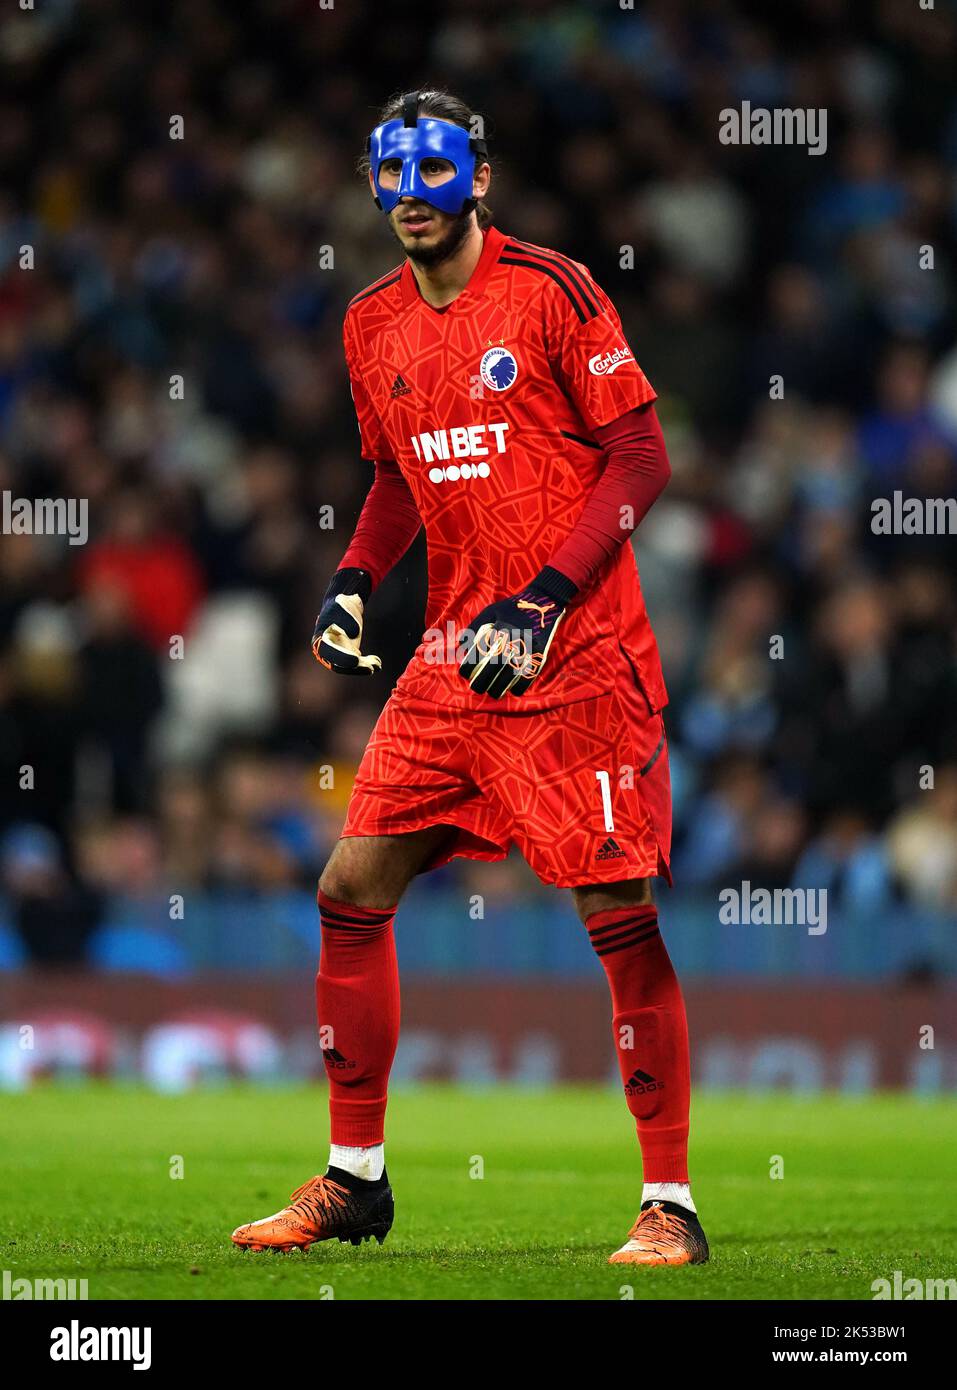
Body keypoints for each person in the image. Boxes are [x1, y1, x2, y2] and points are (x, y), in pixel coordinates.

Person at [231, 89, 708, 1267]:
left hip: (579, 653)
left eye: (435, 169)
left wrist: (546, 597)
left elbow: (642, 454)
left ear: (479, 177)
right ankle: (356, 1181)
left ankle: (672, 1205)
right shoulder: (370, 324)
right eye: (390, 172)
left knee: (616, 913)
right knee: (350, 884)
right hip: (455, 657)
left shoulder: (552, 290)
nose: (410, 193)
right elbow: (398, 478)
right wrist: (352, 577)